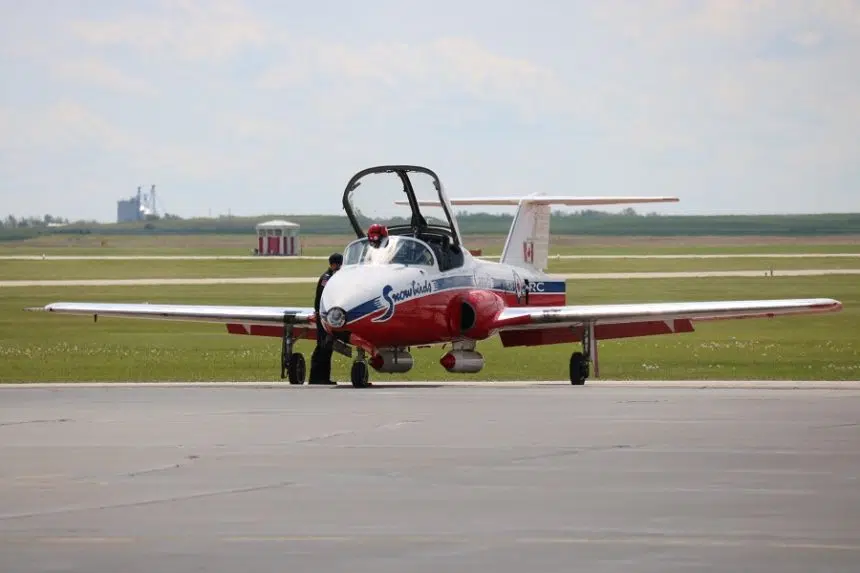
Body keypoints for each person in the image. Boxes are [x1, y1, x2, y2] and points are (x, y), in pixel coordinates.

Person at [308, 252, 343, 384]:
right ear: (334, 264)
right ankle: (318, 378)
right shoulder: (327, 278)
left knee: (326, 348)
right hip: (323, 317)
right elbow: (323, 298)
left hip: (326, 317)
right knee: (323, 347)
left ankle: (320, 378)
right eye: (339, 264)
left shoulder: (331, 277)